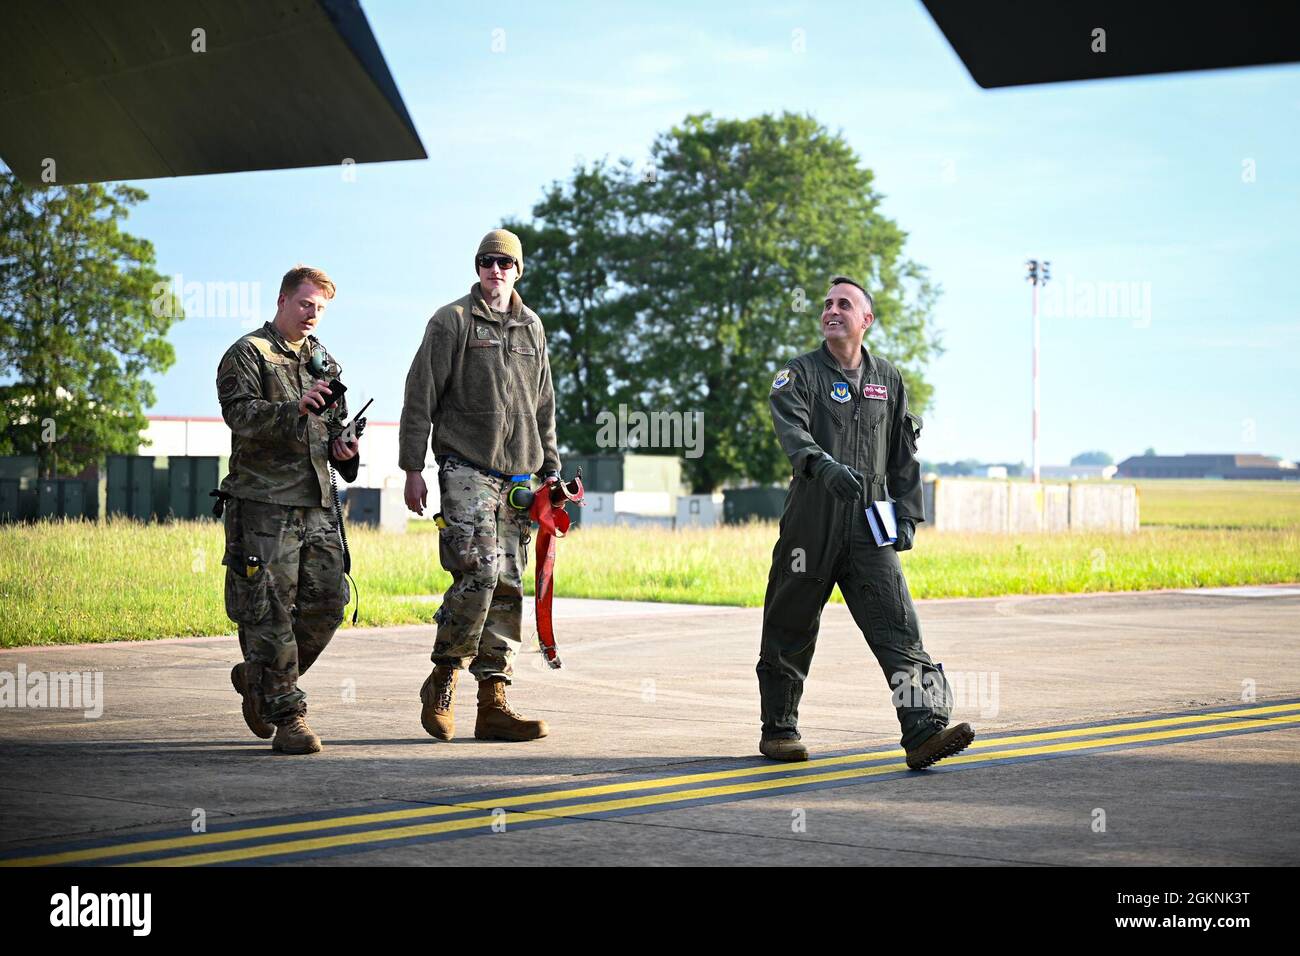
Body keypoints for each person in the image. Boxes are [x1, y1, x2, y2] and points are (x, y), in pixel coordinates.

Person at [756, 275, 975, 768]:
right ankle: (779, 730)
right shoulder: (800, 374)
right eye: (827, 304)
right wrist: (822, 466)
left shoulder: (889, 380)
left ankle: (923, 731)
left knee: (898, 625)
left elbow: (904, 455)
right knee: (790, 624)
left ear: (866, 320)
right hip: (812, 521)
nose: (832, 311)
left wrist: (908, 514)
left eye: (844, 305)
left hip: (870, 525)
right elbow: (791, 431)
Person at [398, 229, 560, 742]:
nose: (496, 270)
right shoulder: (452, 321)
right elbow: (420, 393)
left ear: (519, 270)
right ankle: (443, 676)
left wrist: (550, 470)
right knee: (480, 572)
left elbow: (543, 406)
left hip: (519, 477)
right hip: (464, 466)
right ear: (478, 267)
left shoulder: (532, 327)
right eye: (488, 262)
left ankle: (493, 700)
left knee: (510, 583)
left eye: (506, 263)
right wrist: (412, 468)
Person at [215, 265, 361, 755]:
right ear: (281, 301)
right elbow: (239, 414)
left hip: (318, 502)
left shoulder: (324, 361)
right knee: (269, 611)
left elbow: (334, 427)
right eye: (304, 304)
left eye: (320, 308)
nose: (312, 315)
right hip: (264, 504)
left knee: (328, 604)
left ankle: (258, 678)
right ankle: (288, 715)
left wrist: (347, 448)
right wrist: (293, 409)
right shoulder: (247, 353)